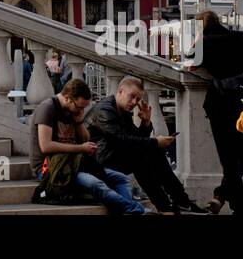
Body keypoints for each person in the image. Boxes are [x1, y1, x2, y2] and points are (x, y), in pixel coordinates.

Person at [86, 76, 206, 214]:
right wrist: (155, 142)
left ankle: (174, 203)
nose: (134, 102)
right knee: (143, 156)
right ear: (120, 91)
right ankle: (172, 204)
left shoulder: (122, 111)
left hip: (111, 155)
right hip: (96, 160)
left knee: (150, 153)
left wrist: (145, 122)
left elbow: (135, 140)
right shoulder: (105, 110)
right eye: (131, 97)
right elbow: (121, 140)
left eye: (137, 99)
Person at [29, 79, 146, 213]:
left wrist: (79, 122)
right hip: (51, 167)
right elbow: (46, 146)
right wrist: (80, 148)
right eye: (79, 107)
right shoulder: (47, 108)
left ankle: (127, 210)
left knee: (121, 178)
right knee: (95, 184)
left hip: (74, 163)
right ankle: (137, 210)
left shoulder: (73, 110)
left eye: (84, 108)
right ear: (67, 98)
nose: (81, 111)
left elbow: (86, 139)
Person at [192, 10, 243, 215]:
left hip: (220, 104)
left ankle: (238, 208)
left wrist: (198, 40)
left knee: (229, 161)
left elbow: (191, 63)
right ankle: (220, 197)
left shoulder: (204, 44)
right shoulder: (239, 38)